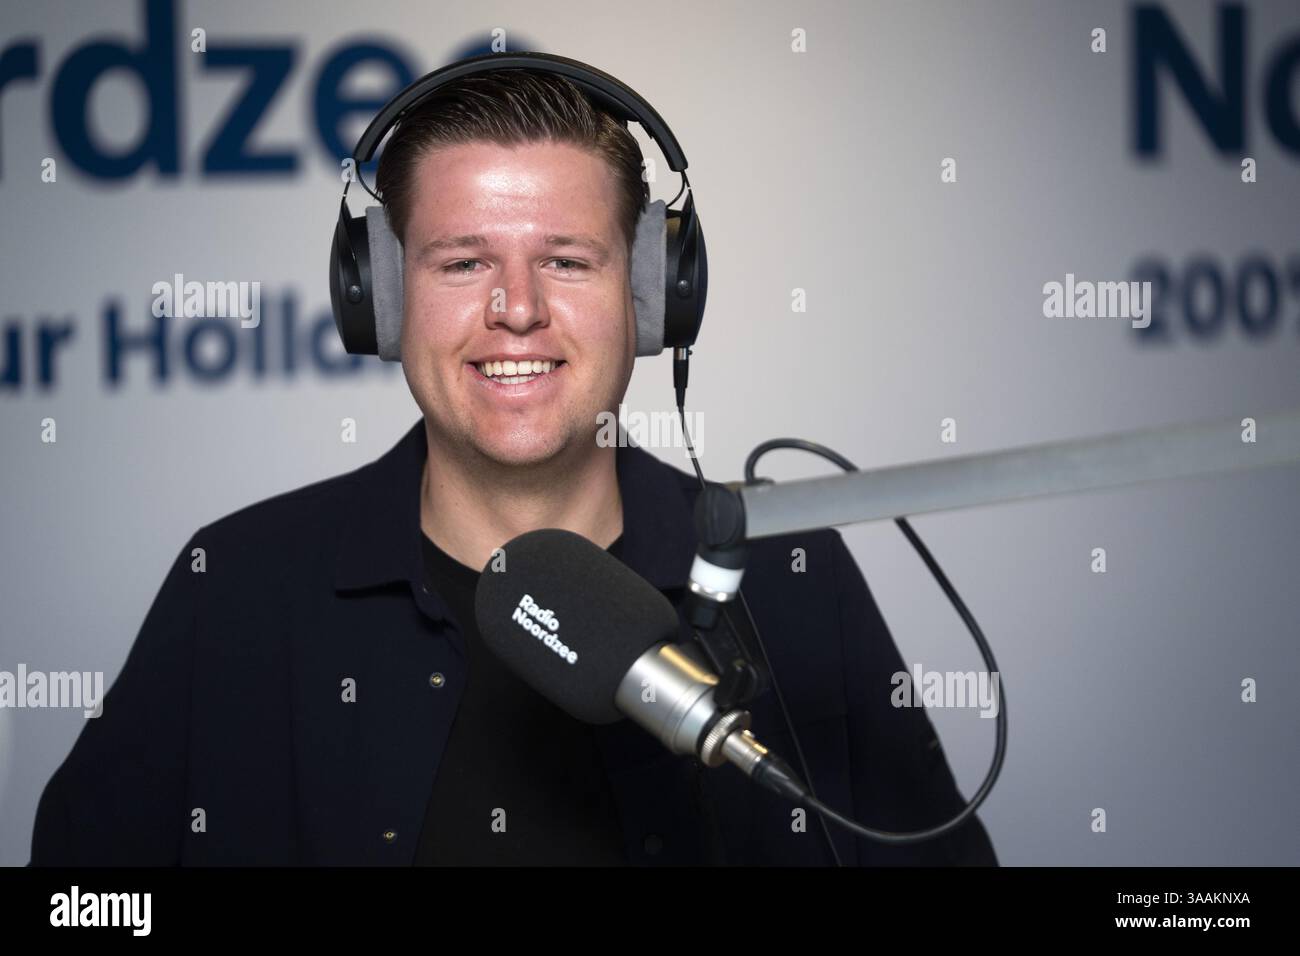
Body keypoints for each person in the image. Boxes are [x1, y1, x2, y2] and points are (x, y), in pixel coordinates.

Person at [31, 65, 996, 866]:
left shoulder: (788, 573)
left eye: (568, 262)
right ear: (382, 299)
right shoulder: (239, 585)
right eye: (462, 264)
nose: (518, 310)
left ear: (654, 300)